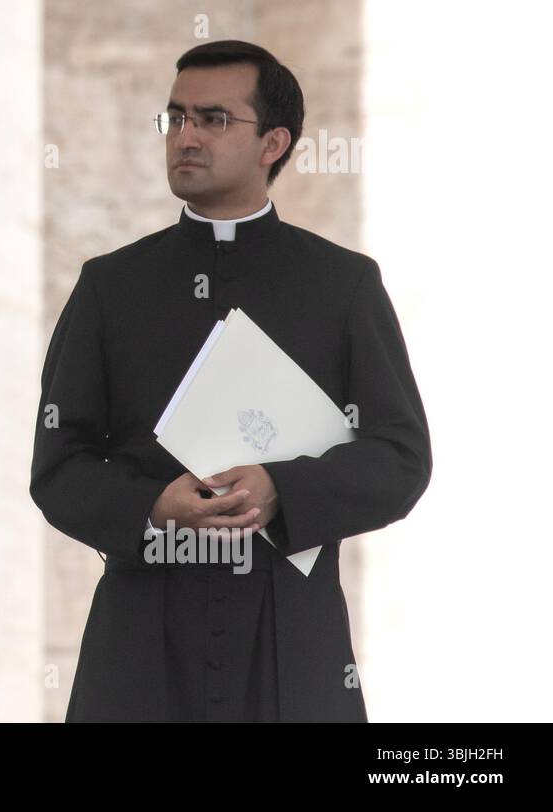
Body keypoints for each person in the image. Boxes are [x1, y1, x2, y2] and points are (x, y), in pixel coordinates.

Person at [30, 40, 431, 721]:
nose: (185, 136)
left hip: (290, 629)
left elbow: (400, 459)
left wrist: (285, 489)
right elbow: (58, 465)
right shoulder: (110, 286)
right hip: (140, 632)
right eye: (176, 117)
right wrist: (154, 504)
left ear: (274, 142)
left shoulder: (343, 285)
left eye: (213, 119)